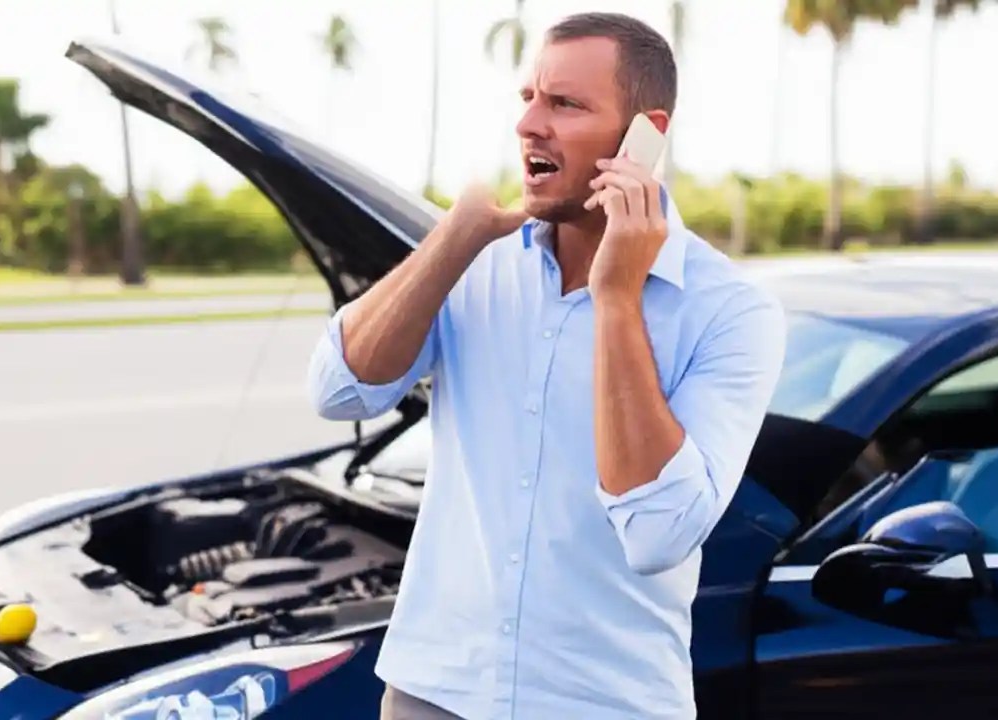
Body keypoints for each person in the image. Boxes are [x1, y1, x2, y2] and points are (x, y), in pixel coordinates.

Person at [307, 11, 786, 720]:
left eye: (564, 104)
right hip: (434, 692)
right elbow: (339, 391)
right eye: (528, 97)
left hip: (605, 704)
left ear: (644, 135)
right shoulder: (473, 261)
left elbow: (658, 533)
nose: (530, 123)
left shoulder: (732, 312)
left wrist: (617, 301)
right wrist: (451, 241)